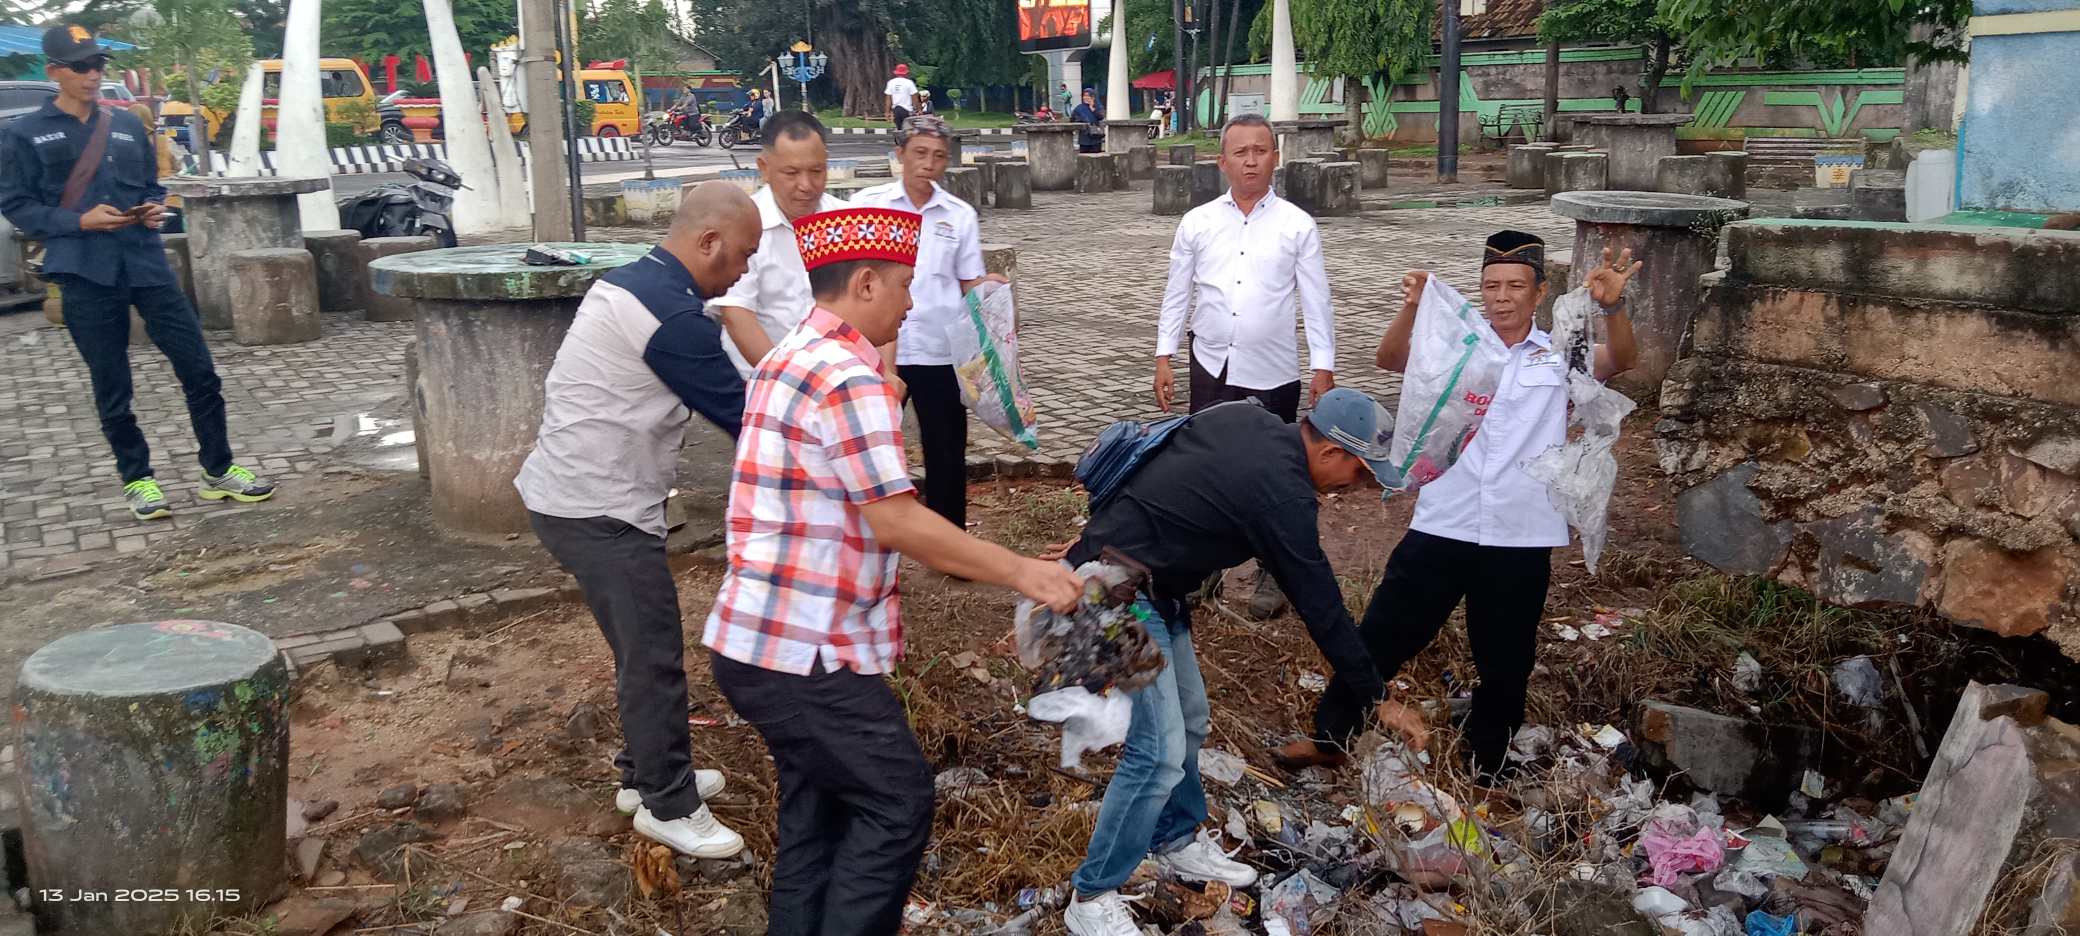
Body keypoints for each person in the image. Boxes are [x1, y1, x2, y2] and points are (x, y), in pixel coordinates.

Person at [703, 205, 1082, 935]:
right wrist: (1022, 573)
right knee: (897, 799)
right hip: (804, 652)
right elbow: (897, 519)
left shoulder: (789, 353)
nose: (913, 303)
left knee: (819, 809)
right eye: (906, 285)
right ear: (868, 282)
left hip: (763, 640)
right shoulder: (846, 375)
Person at [1271, 232, 1643, 782]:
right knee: (1383, 633)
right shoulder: (1456, 348)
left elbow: (1625, 360)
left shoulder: (1563, 355)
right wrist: (1412, 308)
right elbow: (1389, 357)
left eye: (1516, 286)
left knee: (1506, 660)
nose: (1501, 297)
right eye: (1491, 286)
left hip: (1520, 531)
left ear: (1539, 292)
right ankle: (1332, 737)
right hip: (1443, 520)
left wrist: (1613, 307)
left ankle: (1488, 765)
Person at [1046, 390, 1414, 936]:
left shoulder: (1248, 417)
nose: (1355, 486)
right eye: (1361, 473)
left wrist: (1104, 532)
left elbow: (1157, 457)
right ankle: (1093, 893)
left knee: (1191, 718)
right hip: (1113, 601)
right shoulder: (1283, 494)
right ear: (1333, 451)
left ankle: (1175, 838)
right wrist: (1377, 697)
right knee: (1158, 752)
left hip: (1152, 588)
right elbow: (1320, 603)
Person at [515, 182, 764, 857]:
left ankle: (644, 774)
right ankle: (668, 805)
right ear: (707, 242)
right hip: (596, 508)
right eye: (741, 255)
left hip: (575, 496)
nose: (743, 271)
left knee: (639, 650)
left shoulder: (638, 282)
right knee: (654, 656)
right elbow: (747, 420)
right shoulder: (671, 318)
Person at [0, 24, 276, 521]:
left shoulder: (127, 125)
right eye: (81, 66)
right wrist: (77, 220)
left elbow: (149, 185)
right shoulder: (22, 133)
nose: (92, 74)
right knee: (112, 383)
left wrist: (151, 207)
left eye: (98, 65)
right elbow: (16, 204)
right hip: (84, 270)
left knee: (200, 370)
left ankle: (219, 468)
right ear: (55, 72)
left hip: (146, 262)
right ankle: (138, 478)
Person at [1152, 112, 1335, 618]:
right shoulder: (1198, 222)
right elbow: (1177, 294)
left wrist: (1324, 365)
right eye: (1241, 152)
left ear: (1275, 156)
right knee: (1205, 468)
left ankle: (1272, 570)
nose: (1251, 160)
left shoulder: (1297, 225)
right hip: (1210, 364)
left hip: (1274, 370)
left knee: (1276, 473)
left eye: (1261, 150)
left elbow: (1316, 301)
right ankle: (1203, 566)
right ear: (1223, 161)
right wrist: (1163, 355)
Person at [849, 115, 1000, 532]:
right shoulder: (869, 205)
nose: (927, 163)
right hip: (876, 350)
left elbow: (969, 281)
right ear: (899, 154)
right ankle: (866, 534)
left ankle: (950, 541)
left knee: (946, 450)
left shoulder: (959, 215)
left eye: (937, 156)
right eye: (918, 153)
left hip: (939, 349)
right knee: (868, 445)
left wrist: (990, 292)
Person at [709, 110, 845, 380]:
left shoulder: (847, 222)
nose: (806, 185)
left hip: (833, 379)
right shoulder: (741, 227)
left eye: (816, 171)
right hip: (763, 384)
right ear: (764, 168)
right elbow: (736, 314)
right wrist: (789, 382)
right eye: (791, 173)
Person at [885, 63, 918, 130]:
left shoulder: (891, 82)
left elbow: (888, 99)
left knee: (899, 128)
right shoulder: (909, 82)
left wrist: (887, 112)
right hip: (907, 110)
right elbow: (914, 97)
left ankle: (900, 139)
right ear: (906, 73)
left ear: (896, 73)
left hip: (896, 110)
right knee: (909, 129)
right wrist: (916, 109)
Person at [1070, 88, 1103, 153]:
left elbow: (1100, 117)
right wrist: (1080, 121)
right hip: (1084, 138)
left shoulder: (1098, 106)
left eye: (1088, 96)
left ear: (1093, 97)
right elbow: (1072, 119)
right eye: (1084, 96)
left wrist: (1092, 108)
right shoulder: (1079, 107)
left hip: (1096, 137)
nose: (1086, 97)